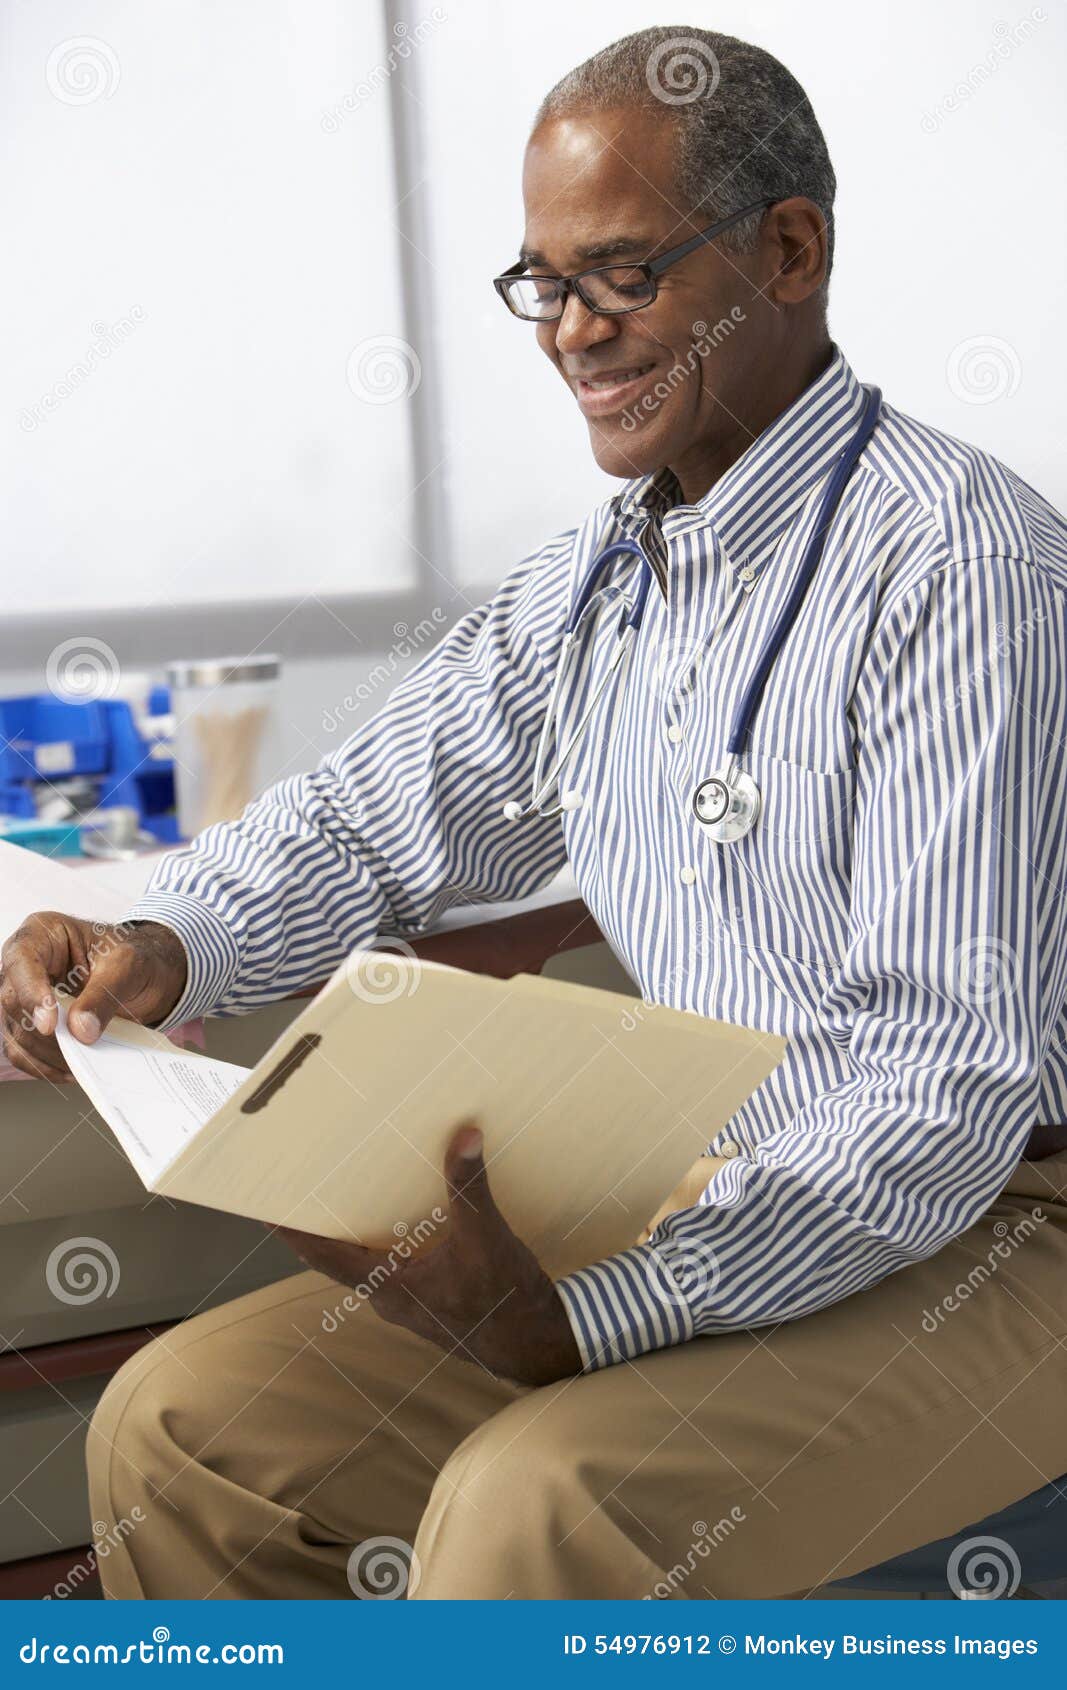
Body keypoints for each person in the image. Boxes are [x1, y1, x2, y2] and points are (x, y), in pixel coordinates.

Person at [3, 26, 1067, 1601]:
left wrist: (596, 1312)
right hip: (697, 1187)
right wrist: (163, 936)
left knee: (538, 1501)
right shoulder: (587, 587)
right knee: (180, 1427)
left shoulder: (962, 573)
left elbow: (939, 1086)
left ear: (791, 251)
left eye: (620, 276)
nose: (569, 332)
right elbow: (368, 825)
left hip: (993, 1222)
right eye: (541, 285)